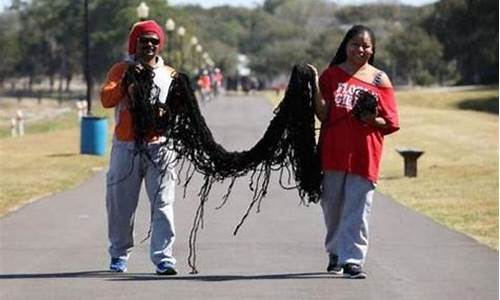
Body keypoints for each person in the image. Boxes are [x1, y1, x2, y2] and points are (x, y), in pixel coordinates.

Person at [309, 24, 399, 279]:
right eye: (355, 44)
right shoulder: (331, 75)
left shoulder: (380, 79)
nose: (360, 49)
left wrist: (372, 120)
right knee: (333, 206)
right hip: (334, 152)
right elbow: (323, 114)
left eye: (366, 46)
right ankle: (335, 253)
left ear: (372, 50)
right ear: (345, 46)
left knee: (358, 209)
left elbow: (391, 121)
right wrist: (315, 87)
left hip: (364, 153)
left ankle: (352, 259)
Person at [100, 20, 178, 275]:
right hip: (127, 147)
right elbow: (106, 99)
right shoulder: (120, 70)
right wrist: (127, 82)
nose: (149, 45)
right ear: (135, 43)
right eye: (144, 40)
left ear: (160, 45)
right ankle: (119, 254)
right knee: (120, 205)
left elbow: (181, 110)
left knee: (163, 203)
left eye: (154, 41)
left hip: (160, 148)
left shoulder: (170, 75)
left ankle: (164, 257)